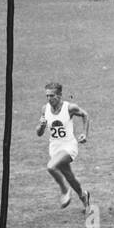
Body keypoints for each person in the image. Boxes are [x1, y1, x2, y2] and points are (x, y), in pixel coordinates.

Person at [37, 81, 90, 211]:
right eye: (47, 96)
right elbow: (39, 133)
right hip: (54, 148)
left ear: (60, 95)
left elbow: (85, 115)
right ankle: (84, 196)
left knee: (51, 166)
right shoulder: (45, 109)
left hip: (68, 146)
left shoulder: (70, 108)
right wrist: (41, 126)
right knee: (69, 176)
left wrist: (84, 134)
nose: (49, 99)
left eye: (52, 96)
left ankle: (65, 191)